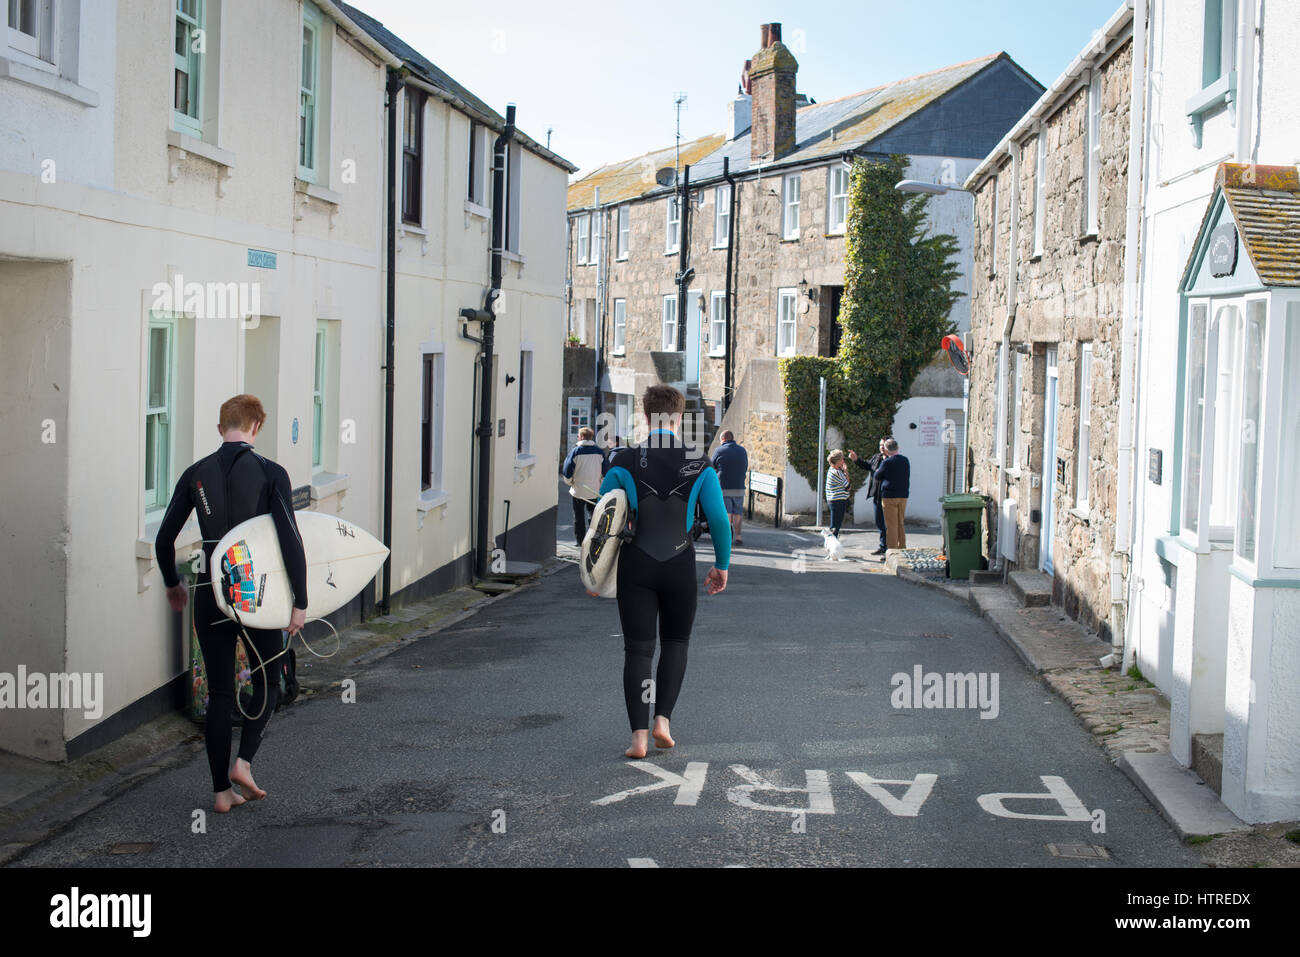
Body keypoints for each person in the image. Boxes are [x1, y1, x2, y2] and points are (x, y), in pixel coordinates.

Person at [155, 395, 307, 814]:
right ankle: (244, 762)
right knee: (268, 681)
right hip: (254, 590)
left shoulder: (195, 474)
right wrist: (301, 601)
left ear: (221, 427)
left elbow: (164, 540)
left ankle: (221, 793)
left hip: (210, 590)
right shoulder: (270, 472)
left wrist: (173, 584)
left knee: (221, 693)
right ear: (256, 427)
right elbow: (291, 541)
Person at [597, 385, 732, 759]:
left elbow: (602, 521)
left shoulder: (623, 460)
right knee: (675, 644)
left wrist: (594, 572)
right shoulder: (700, 463)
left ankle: (639, 738)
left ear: (644, 416)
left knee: (638, 651)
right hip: (679, 563)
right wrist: (721, 566)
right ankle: (663, 723)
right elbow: (719, 521)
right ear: (679, 417)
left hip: (635, 564)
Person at [561, 425, 604, 544]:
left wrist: (570, 482)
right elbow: (605, 471)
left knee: (578, 517)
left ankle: (580, 541)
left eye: (578, 436)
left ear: (581, 437)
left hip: (579, 490)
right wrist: (600, 483)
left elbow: (567, 470)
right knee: (593, 515)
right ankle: (593, 539)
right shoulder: (599, 452)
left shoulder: (575, 451)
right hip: (594, 490)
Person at [849, 439, 888, 556]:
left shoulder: (892, 460)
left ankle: (890, 548)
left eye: (884, 445)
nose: (881, 447)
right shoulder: (877, 457)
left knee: (889, 523)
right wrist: (856, 459)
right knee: (879, 522)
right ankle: (883, 546)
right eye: (880, 445)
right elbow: (867, 466)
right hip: (876, 495)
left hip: (887, 496)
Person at [710, 430, 749, 546]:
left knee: (727, 512)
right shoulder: (742, 450)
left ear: (723, 439)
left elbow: (711, 467)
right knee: (737, 513)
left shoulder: (719, 450)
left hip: (724, 487)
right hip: (739, 487)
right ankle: (738, 536)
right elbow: (745, 466)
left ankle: (727, 537)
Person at [875, 437, 911, 550]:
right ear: (897, 448)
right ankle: (902, 546)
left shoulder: (887, 462)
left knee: (891, 525)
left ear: (886, 450)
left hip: (889, 496)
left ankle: (892, 550)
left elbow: (877, 476)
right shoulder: (905, 460)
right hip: (903, 495)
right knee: (900, 522)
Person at [825, 449, 850, 538]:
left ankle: (832, 542)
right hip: (837, 500)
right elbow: (847, 486)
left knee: (835, 524)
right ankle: (832, 542)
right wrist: (846, 471)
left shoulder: (832, 470)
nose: (843, 461)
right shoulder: (836, 472)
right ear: (838, 461)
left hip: (834, 500)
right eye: (842, 459)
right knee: (836, 525)